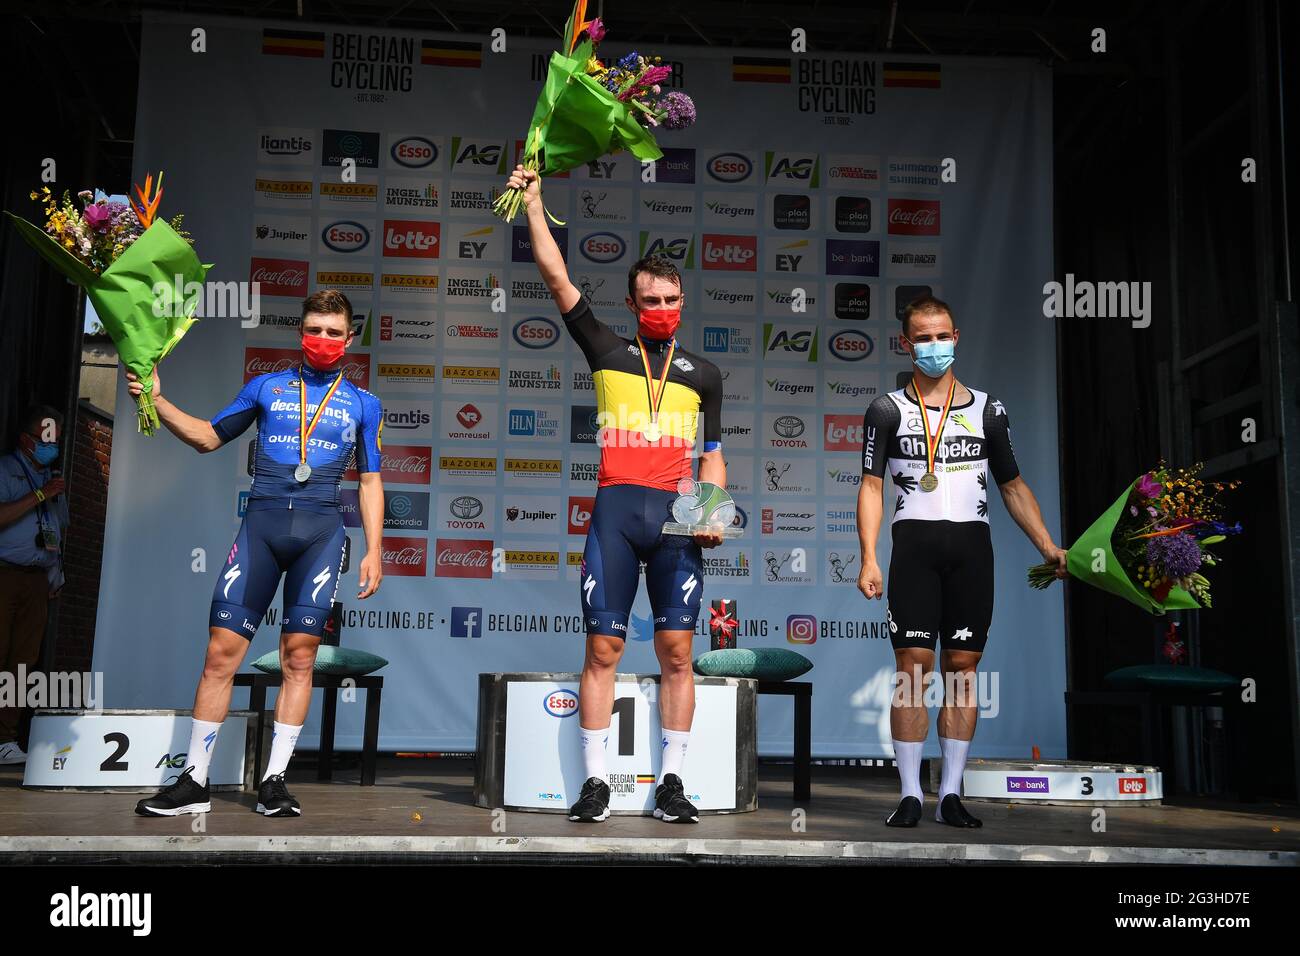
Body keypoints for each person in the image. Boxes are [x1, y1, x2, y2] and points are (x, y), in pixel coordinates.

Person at [507, 164, 726, 824]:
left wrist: (711, 514)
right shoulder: (605, 349)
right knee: (602, 650)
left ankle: (673, 786)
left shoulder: (704, 374)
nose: (661, 310)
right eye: (649, 301)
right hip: (614, 513)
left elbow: (711, 457)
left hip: (674, 520)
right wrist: (535, 201)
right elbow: (555, 276)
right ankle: (597, 784)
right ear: (632, 306)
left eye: (670, 300)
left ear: (682, 302)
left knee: (679, 654)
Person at [129, 290, 385, 816]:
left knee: (299, 658)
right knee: (221, 654)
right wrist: (156, 399)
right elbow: (206, 438)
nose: (323, 340)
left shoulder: (364, 403)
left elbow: (371, 481)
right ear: (301, 332)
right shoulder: (265, 387)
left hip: (321, 535)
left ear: (350, 339)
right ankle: (194, 781)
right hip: (261, 528)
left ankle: (274, 781)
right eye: (314, 329)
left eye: (334, 332)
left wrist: (375, 549)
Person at [857, 295, 1066, 828]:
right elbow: (872, 485)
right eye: (922, 338)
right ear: (906, 344)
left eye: (942, 335)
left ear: (957, 337)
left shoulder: (987, 409)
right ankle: (909, 794)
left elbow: (1012, 486)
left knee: (964, 670)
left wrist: (1047, 545)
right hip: (915, 552)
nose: (934, 346)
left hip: (973, 550)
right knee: (911, 670)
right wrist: (868, 558)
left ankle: (950, 793)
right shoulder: (887, 410)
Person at [0, 405, 69, 764]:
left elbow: (57, 533)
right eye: (45, 438)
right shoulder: (6, 470)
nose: (51, 445)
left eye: (55, 439)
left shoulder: (52, 480)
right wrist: (39, 496)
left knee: (23, 664)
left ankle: (5, 739)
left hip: (37, 581)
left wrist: (54, 576)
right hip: (4, 574)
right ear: (27, 440)